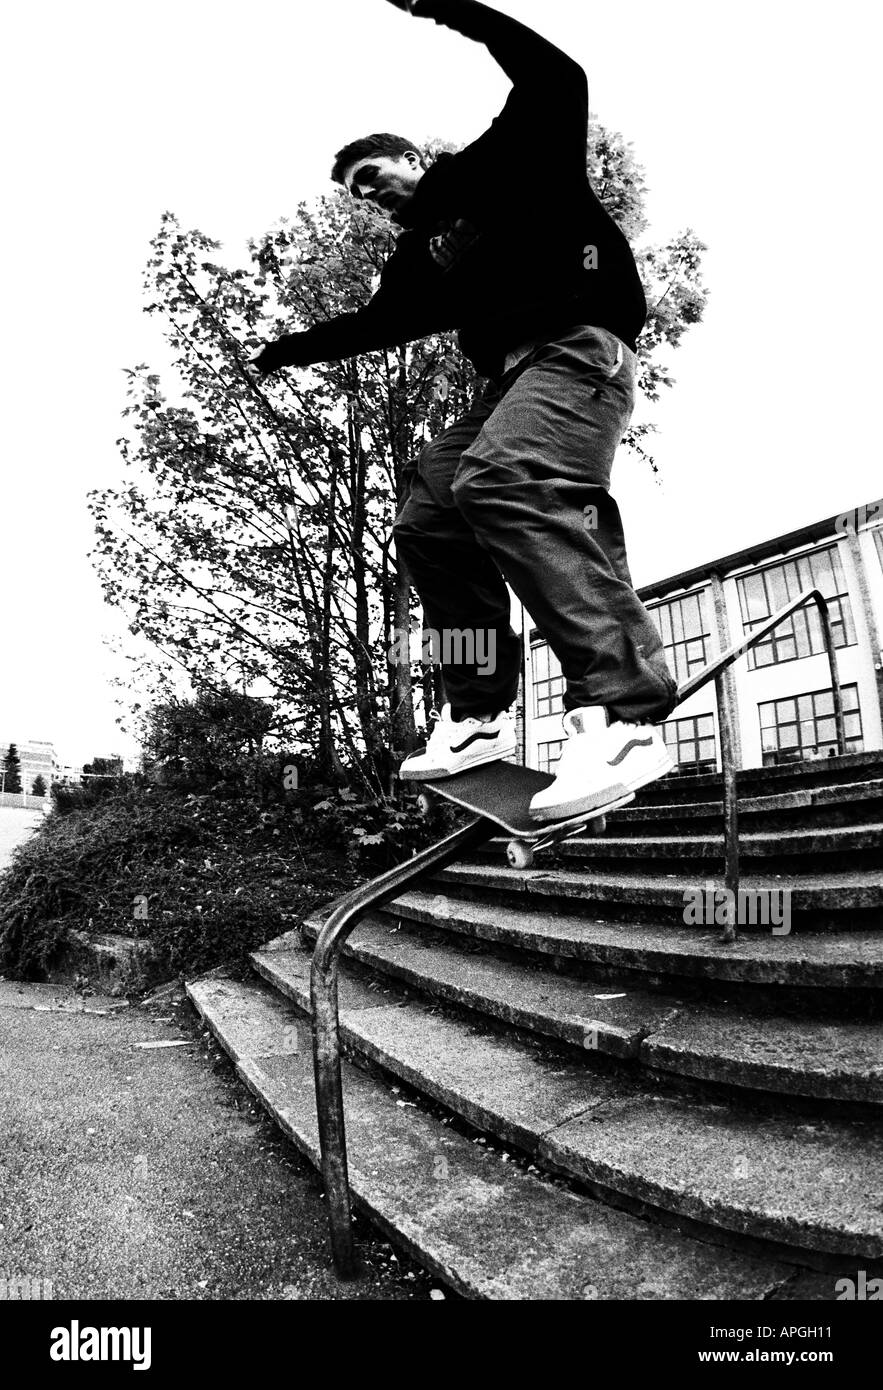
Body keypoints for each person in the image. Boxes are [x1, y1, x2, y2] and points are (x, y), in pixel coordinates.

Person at [249, 0, 679, 822]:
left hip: (579, 352)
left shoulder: (508, 162)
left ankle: (623, 715)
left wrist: (444, 6)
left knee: (506, 481)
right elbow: (378, 324)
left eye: (372, 177)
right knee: (429, 520)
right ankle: (477, 708)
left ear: (413, 156)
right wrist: (289, 350)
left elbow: (556, 76)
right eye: (354, 195)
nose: (368, 196)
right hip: (508, 383)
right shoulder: (419, 258)